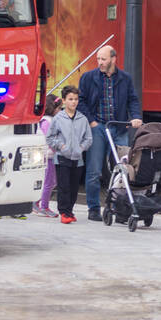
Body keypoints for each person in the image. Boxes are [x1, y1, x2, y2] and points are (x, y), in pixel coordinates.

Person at [77, 45, 143, 221]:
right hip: (98, 127)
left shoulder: (125, 79)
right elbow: (81, 101)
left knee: (123, 170)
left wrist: (135, 117)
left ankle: (120, 209)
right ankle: (93, 208)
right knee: (94, 170)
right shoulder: (89, 77)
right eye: (98, 59)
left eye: (103, 59)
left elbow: (132, 100)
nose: (100, 62)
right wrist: (92, 121)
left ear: (113, 59)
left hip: (119, 128)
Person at [47, 86, 93, 223]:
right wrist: (61, 146)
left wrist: (81, 148)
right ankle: (64, 212)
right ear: (64, 101)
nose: (74, 102)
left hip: (77, 159)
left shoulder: (82, 119)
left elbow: (88, 138)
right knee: (64, 186)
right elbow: (50, 137)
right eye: (70, 99)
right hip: (61, 158)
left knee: (73, 187)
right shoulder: (58, 119)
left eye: (76, 99)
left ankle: (70, 211)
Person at [33, 91, 60, 218]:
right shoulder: (48, 122)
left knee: (50, 181)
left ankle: (37, 202)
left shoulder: (46, 120)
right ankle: (43, 206)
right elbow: (49, 139)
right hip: (47, 156)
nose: (60, 111)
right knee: (49, 181)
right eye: (59, 108)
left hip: (48, 155)